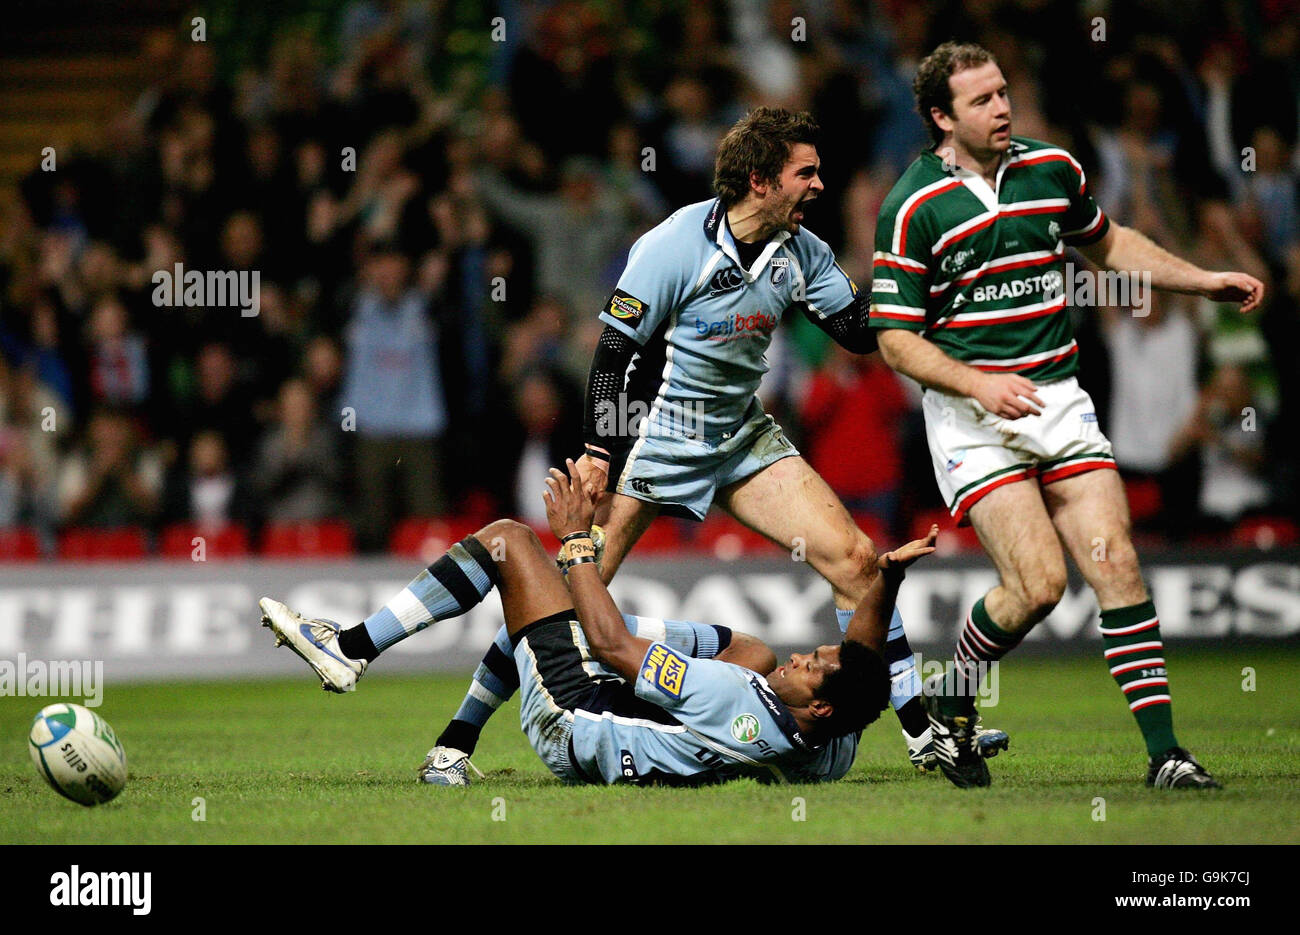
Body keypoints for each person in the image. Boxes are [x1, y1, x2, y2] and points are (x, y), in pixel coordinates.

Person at [420, 107, 1007, 781]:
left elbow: (855, 330)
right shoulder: (674, 243)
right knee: (566, 591)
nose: (819, 184)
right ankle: (455, 740)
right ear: (760, 180)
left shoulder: (801, 250)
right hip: (667, 432)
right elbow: (614, 355)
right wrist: (601, 451)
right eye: (805, 172)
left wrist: (921, 285)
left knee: (857, 561)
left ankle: (920, 731)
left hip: (742, 434)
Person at [869, 42, 1265, 789]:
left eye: (1003, 92)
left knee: (1115, 560)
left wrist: (1199, 279)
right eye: (982, 100)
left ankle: (1165, 755)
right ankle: (956, 693)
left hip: (1058, 398)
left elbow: (1109, 244)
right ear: (939, 117)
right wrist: (979, 385)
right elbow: (894, 337)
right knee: (1040, 586)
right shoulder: (911, 206)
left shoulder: (1051, 169)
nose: (1002, 107)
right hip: (972, 418)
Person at [260, 461, 942, 786]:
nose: (803, 655)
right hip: (616, 730)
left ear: (820, 701)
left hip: (572, 715)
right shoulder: (832, 746)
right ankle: (450, 750)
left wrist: (578, 539)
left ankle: (349, 647)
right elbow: (859, 662)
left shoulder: (731, 697)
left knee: (509, 544)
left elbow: (615, 648)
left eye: (812, 665)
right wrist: (887, 579)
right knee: (743, 644)